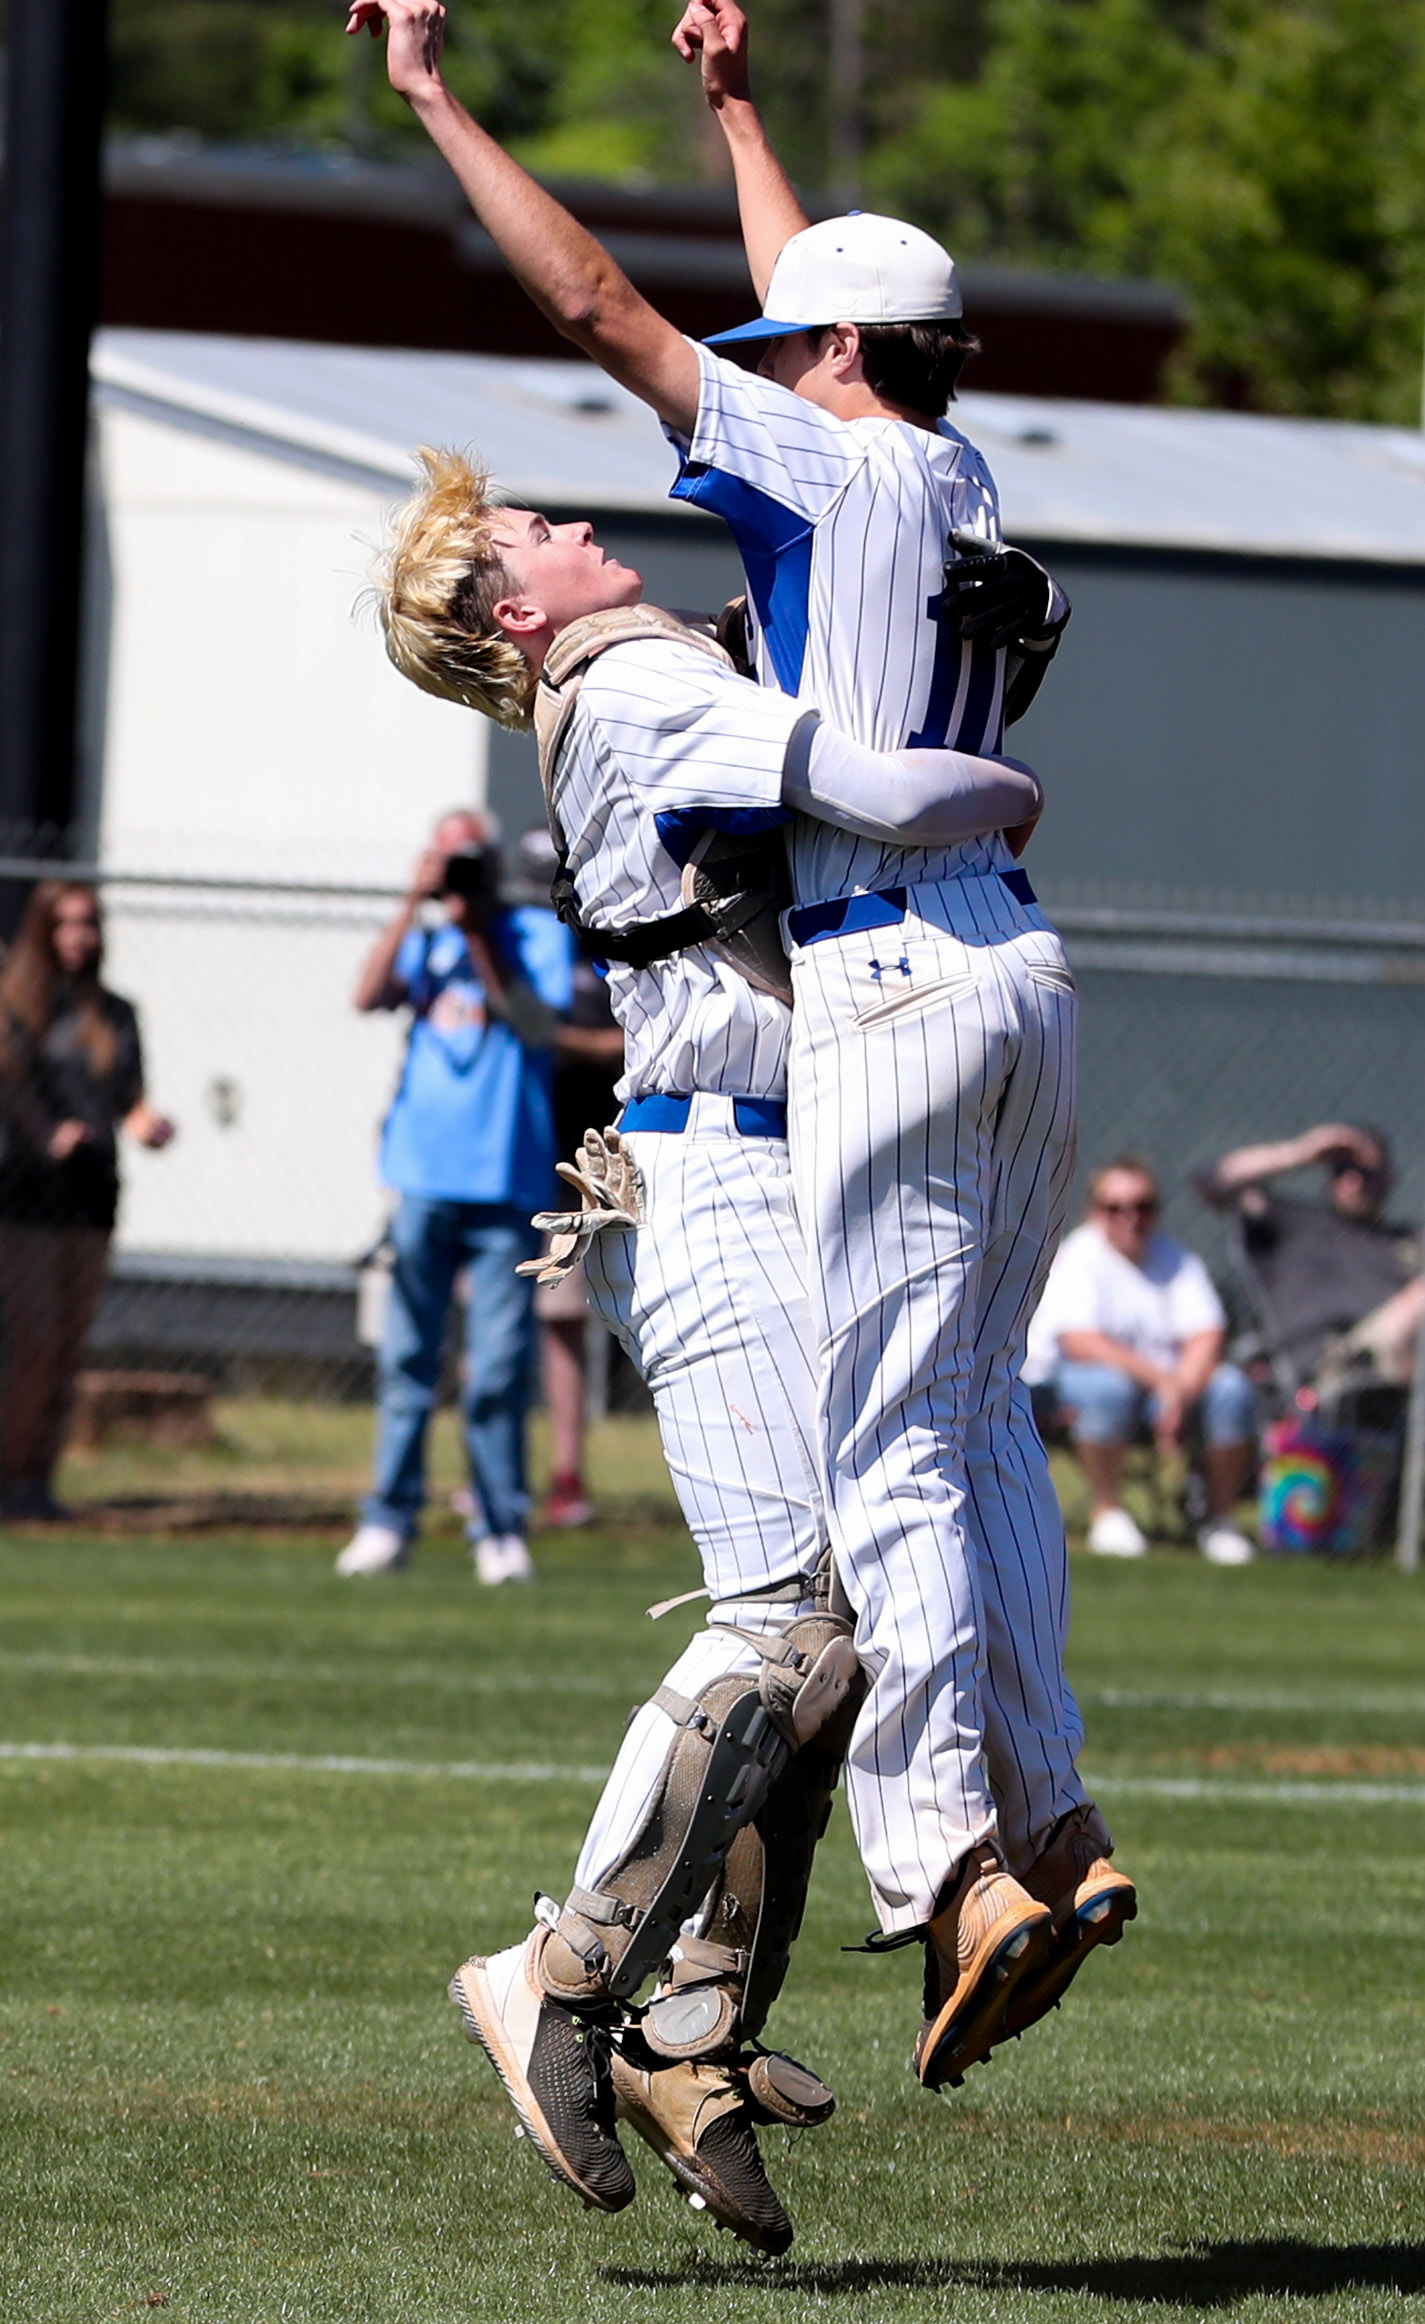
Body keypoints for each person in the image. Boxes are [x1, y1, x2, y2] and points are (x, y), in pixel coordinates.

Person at [349, 0, 1126, 2114]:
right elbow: (828, 337)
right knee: (954, 1446)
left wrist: (433, 96)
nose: (755, 375)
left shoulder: (787, 490)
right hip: (980, 999)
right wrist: (738, 112)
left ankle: (948, 1871)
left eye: (783, 351)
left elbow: (604, 298)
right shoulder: (938, 457)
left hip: (878, 1006)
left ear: (828, 369)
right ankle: (1014, 1837)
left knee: (887, 1480)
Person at [336, 809, 574, 1583]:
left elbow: (538, 1026)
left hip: (503, 1179)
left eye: (467, 863)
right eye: (446, 863)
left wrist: (477, 930)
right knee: (408, 1358)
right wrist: (415, 903)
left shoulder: (532, 936)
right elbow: (367, 995)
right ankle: (388, 1518)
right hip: (421, 1177)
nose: (457, 878)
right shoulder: (425, 938)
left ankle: (499, 1524)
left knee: (498, 1365)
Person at [0, 881, 175, 1520]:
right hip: (24, 1196)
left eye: (88, 924)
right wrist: (47, 1133)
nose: (79, 936)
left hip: (92, 1195)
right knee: (33, 1339)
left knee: (69, 1347)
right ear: (43, 930)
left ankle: (35, 1483)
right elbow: (13, 1087)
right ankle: (8, 1472)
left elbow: (128, 1095)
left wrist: (148, 1125)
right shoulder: (18, 1005)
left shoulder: (115, 1013)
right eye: (66, 924)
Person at [1027, 1156, 1257, 1566]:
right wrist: (1165, 1384)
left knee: (1231, 1388)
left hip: (1165, 1392)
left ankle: (1220, 1521)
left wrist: (1178, 1393)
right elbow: (1082, 1343)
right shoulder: (1079, 1257)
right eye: (1115, 1207)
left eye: (1143, 1206)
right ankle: (1107, 1513)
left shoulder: (1178, 1260)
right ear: (1094, 1211)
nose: (1130, 1218)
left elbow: (1207, 1335)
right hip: (1072, 1390)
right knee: (1104, 1388)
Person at [514, 828, 624, 1528]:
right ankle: (498, 1477)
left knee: (565, 1317)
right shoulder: (511, 952)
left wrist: (558, 1040)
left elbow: (634, 1036)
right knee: (502, 1321)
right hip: (513, 1155)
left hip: (586, 1163)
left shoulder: (605, 950)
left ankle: (566, 1472)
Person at [1198, 1122, 1421, 1390]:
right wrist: (1300, 1152)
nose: (1354, 1180)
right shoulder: (1293, 1222)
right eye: (1343, 1169)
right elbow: (1211, 1180)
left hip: (1407, 1361)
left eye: (1366, 1172)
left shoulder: (1405, 1240)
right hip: (1330, 1368)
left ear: (1388, 1177)